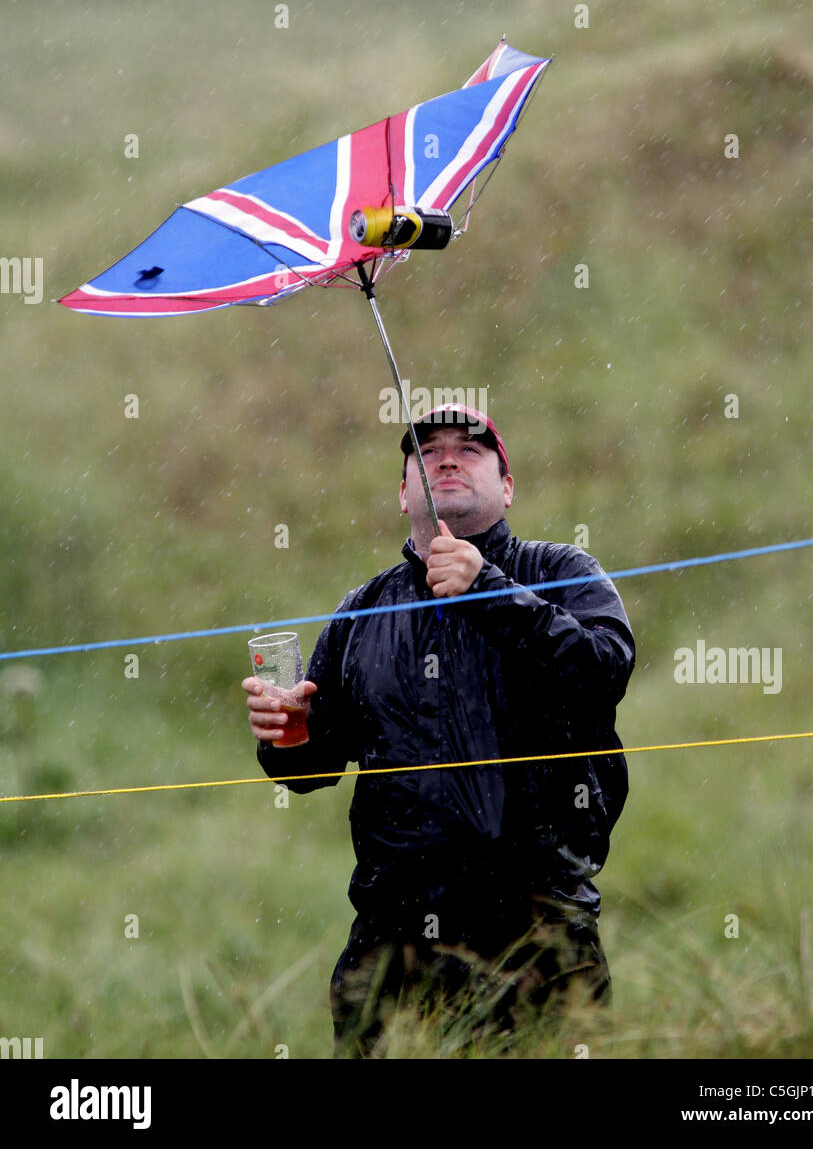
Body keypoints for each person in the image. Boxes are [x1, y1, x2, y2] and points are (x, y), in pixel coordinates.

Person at [243, 403, 635, 1056]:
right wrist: (286, 733)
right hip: (395, 934)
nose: (447, 457)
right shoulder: (362, 610)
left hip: (540, 922)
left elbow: (605, 670)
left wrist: (493, 591)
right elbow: (309, 771)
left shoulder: (560, 572)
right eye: (426, 452)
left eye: (470, 449)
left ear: (507, 487)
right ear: (404, 494)